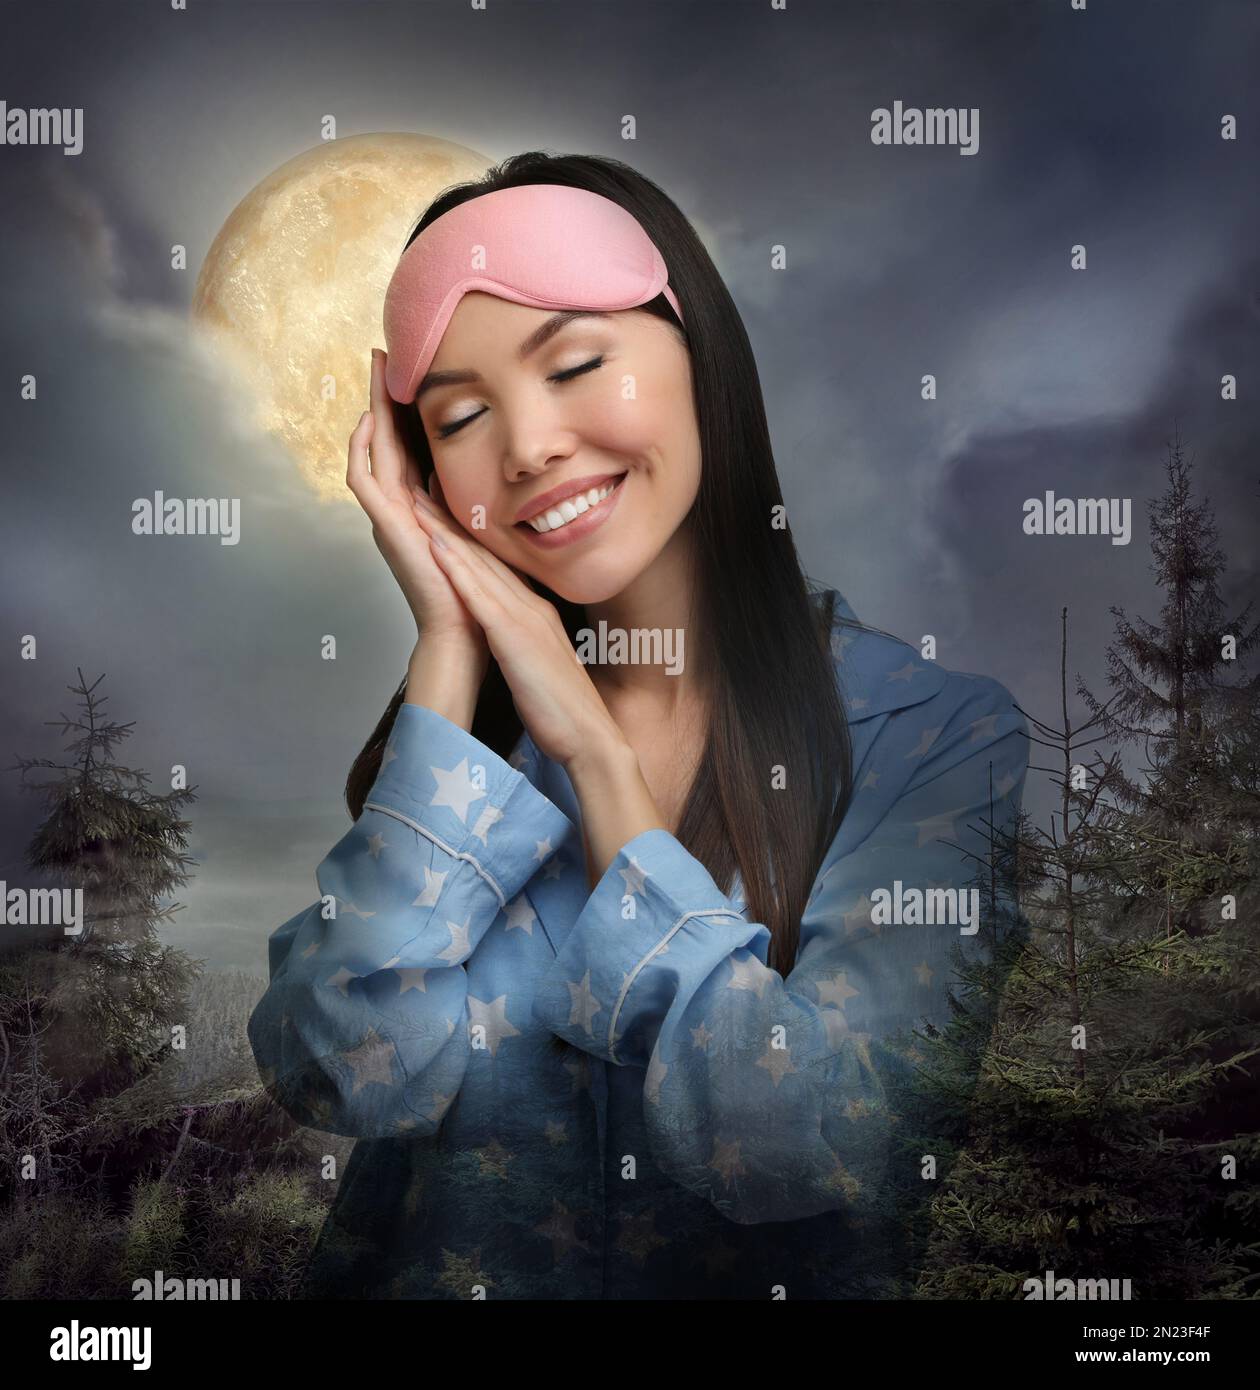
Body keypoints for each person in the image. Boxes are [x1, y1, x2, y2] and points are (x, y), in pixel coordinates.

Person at [247, 152, 1029, 1300]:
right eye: (461, 415)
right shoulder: (454, 761)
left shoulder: (935, 738)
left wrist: (601, 766)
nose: (527, 447)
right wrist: (450, 657)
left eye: (574, 363)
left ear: (698, 355)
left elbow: (816, 1140)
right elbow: (337, 1074)